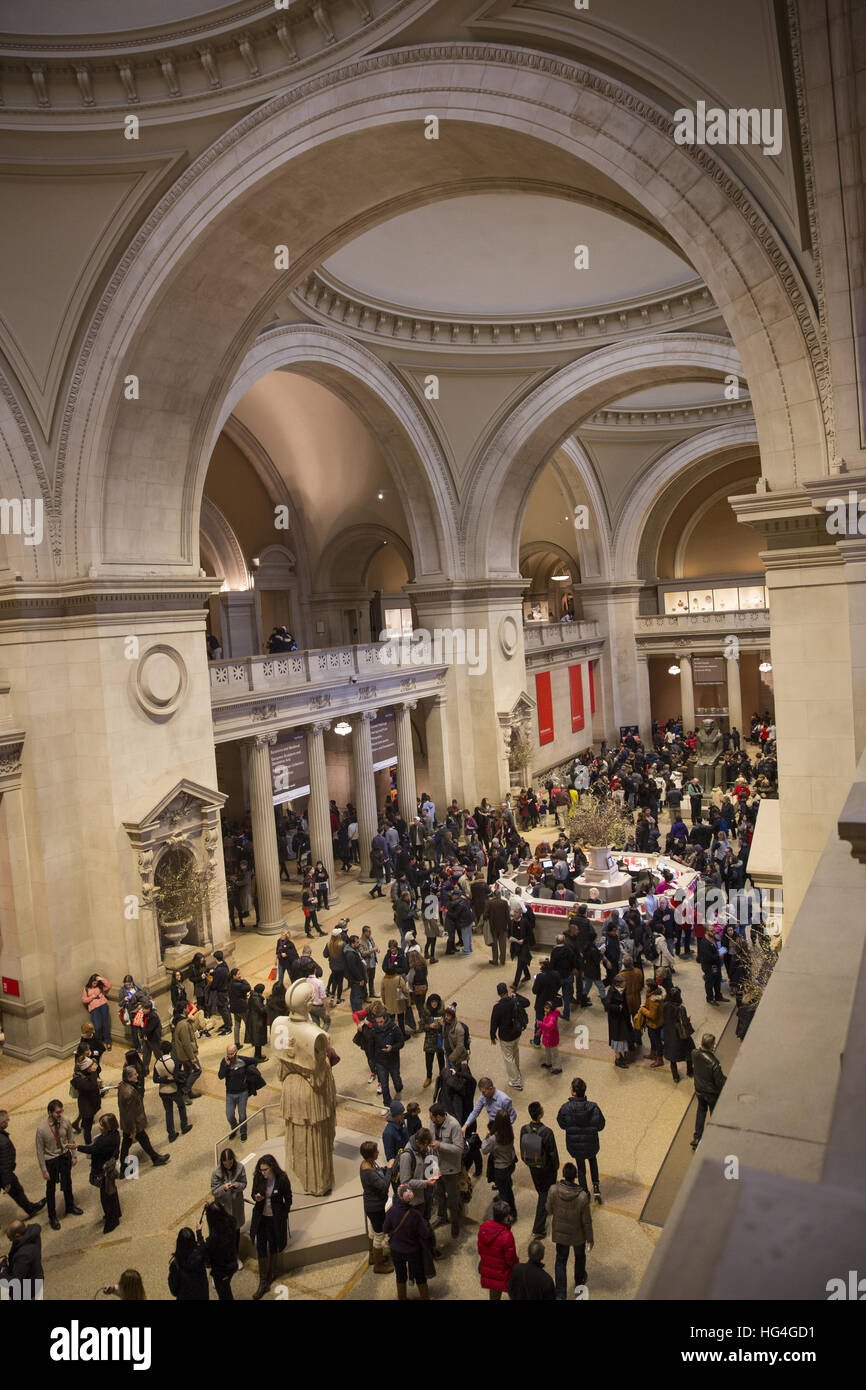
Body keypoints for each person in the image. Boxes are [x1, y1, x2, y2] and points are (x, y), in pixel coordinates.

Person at [546, 1162, 594, 1300]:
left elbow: (548, 1209)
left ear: (563, 1175)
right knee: (579, 1256)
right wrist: (590, 1239)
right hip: (577, 1235)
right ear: (575, 1177)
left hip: (560, 1233)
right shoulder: (582, 1197)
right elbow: (587, 1222)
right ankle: (579, 1280)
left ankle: (560, 1294)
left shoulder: (553, 1190)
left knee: (560, 1261)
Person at [249, 1153, 293, 1300]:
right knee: (261, 1247)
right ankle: (263, 1281)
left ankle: (271, 1273)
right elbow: (252, 1193)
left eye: (265, 1170)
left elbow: (288, 1198)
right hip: (261, 1218)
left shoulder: (282, 1179)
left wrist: (283, 1213)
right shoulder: (258, 1177)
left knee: (273, 1245)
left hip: (275, 1219)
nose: (263, 1173)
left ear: (272, 1167)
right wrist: (256, 1197)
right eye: (261, 1170)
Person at [35, 1099, 83, 1231]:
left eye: (61, 1111)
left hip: (64, 1156)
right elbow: (39, 1151)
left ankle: (70, 1206)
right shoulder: (42, 1129)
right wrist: (44, 1170)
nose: (60, 1115)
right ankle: (52, 1217)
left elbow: (71, 1138)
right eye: (57, 1112)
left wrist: (73, 1155)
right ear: (50, 1113)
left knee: (67, 1182)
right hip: (51, 1159)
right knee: (51, 1189)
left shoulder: (65, 1121)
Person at [556, 1077, 605, 1202]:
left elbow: (562, 1124)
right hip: (591, 1143)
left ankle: (585, 1192)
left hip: (575, 1145)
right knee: (593, 1160)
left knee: (581, 1167)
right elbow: (601, 1125)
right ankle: (596, 1186)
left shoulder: (565, 1108)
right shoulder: (593, 1108)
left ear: (573, 1092)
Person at [383, 1183, 434, 1300]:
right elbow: (425, 1233)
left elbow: (385, 1229)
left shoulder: (392, 1212)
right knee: (420, 1275)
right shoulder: (415, 1215)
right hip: (413, 1250)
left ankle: (402, 1297)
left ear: (399, 1196)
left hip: (396, 1250)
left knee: (400, 1276)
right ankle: (425, 1297)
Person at [519, 1100, 560, 1237]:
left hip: (533, 1166)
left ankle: (547, 1204)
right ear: (541, 1114)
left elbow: (521, 1147)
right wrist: (556, 1167)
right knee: (544, 1194)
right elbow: (552, 1152)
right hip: (546, 1168)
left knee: (541, 1189)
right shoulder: (547, 1132)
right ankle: (538, 1228)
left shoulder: (524, 1129)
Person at [118, 1067, 171, 1171]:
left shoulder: (123, 1086)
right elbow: (130, 1114)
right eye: (134, 1074)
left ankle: (155, 1158)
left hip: (131, 1123)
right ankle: (125, 1167)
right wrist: (133, 1130)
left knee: (140, 1141)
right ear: (129, 1078)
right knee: (128, 1143)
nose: (137, 1075)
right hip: (134, 1124)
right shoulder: (129, 1093)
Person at [78, 1113, 122, 1233]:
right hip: (109, 1167)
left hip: (104, 1170)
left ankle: (112, 1220)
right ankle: (116, 1213)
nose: (99, 1127)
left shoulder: (104, 1140)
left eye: (102, 1125)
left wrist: (77, 1147)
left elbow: (92, 1150)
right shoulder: (115, 1135)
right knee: (111, 1192)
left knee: (106, 1196)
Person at [428, 1101, 465, 1238]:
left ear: (440, 1117)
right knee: (439, 1194)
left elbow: (459, 1148)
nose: (430, 1121)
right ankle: (441, 1217)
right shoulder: (432, 1122)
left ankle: (455, 1223)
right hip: (436, 1165)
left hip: (450, 1168)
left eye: (432, 1118)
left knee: (452, 1199)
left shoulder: (454, 1125)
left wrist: (440, 1145)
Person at [0, 1111, 45, 1219]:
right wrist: (7, 1182)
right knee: (16, 1190)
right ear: (1, 1123)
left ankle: (30, 1208)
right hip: (4, 1174)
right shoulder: (3, 1142)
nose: (8, 1121)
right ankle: (30, 1208)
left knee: (17, 1191)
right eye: (7, 1120)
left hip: (3, 1172)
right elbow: (5, 1163)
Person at [359, 1140, 394, 1273]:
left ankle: (373, 1257)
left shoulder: (367, 1164)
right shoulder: (369, 1172)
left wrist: (385, 1169)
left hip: (371, 1205)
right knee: (379, 1234)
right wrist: (390, 1170)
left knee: (373, 1232)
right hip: (376, 1207)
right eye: (376, 1151)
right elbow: (384, 1186)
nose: (378, 1152)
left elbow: (379, 1173)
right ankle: (378, 1265)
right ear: (371, 1155)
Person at [489, 982, 529, 1092]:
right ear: (507, 991)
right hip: (517, 1033)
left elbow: (494, 1023)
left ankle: (515, 1081)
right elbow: (527, 1002)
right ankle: (517, 1072)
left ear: (498, 993)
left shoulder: (497, 1007)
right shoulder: (514, 1001)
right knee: (515, 1053)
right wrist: (516, 995)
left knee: (508, 1058)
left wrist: (492, 1036)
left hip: (505, 1036)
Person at [690, 1032, 727, 1149]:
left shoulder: (694, 1053)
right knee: (714, 1114)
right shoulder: (714, 1062)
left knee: (701, 1112)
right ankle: (715, 1138)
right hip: (711, 1093)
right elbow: (719, 1082)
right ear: (711, 1046)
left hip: (699, 1090)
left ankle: (697, 1138)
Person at [477, 1200, 518, 1301]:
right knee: (514, 1289)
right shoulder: (506, 1236)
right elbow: (510, 1259)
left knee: (494, 1289)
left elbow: (480, 1249)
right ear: (505, 1218)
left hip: (488, 1268)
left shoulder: (483, 1228)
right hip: (502, 1271)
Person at [198, 1200, 238, 1301]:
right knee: (226, 1290)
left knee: (225, 1295)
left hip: (221, 1272)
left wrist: (199, 1234)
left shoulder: (214, 1241)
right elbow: (222, 1215)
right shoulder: (232, 1222)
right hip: (232, 1264)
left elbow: (206, 1258)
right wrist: (212, 1208)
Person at [481, 1110, 518, 1221]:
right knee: (508, 1190)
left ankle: (505, 1216)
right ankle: (513, 1212)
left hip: (500, 1168)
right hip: (510, 1165)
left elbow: (484, 1150)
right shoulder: (510, 1132)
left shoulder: (494, 1139)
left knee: (503, 1194)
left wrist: (486, 1138)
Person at [371, 1005, 404, 1112]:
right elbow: (372, 1044)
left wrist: (392, 1048)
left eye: (381, 1022)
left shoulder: (394, 1028)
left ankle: (399, 1090)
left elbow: (401, 1042)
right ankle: (386, 1104)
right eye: (377, 1022)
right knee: (384, 1085)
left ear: (385, 1019)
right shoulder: (374, 1029)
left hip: (393, 1060)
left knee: (396, 1079)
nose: (379, 1024)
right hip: (380, 1061)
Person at [218, 1043, 252, 1142]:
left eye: (232, 1054)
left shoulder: (242, 1060)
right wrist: (226, 1066)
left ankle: (243, 1132)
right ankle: (234, 1127)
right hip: (230, 1093)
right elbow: (220, 1076)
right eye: (228, 1054)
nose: (230, 1056)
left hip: (242, 1093)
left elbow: (254, 1061)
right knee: (229, 1115)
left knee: (242, 1115)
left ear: (236, 1052)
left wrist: (249, 1074)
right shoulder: (224, 1062)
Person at [70, 1044, 102, 1146]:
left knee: (87, 1122)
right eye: (90, 1067)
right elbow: (91, 1086)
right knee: (87, 1128)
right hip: (86, 1105)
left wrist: (94, 1067)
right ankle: (88, 1145)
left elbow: (98, 1071)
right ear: (86, 1069)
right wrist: (93, 1072)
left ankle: (78, 1123)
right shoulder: (78, 1080)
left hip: (91, 1102)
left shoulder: (86, 1072)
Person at [2, 1220, 43, 1297]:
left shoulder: (23, 1256)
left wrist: (3, 1268)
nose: (11, 1241)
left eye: (11, 1239)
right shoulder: (32, 1234)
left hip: (27, 1289)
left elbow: (13, 1282)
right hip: (36, 1276)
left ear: (17, 1236)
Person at [210, 1148, 247, 1233]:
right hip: (223, 1206)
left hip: (236, 1204)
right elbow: (214, 1191)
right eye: (225, 1164)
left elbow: (244, 1184)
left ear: (233, 1160)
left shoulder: (240, 1167)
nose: (228, 1166)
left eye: (230, 1163)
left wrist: (236, 1185)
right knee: (225, 1231)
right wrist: (224, 1188)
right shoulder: (216, 1173)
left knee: (236, 1229)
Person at [663, 987, 695, 1084]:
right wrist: (688, 1019)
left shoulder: (665, 1006)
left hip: (669, 1033)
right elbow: (684, 1022)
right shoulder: (681, 1008)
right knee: (688, 1053)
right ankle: (689, 1071)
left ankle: (675, 1076)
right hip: (680, 1035)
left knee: (673, 1057)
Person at [171, 1004, 203, 1101]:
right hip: (186, 1054)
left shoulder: (180, 1022)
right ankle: (185, 1091)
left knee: (188, 1071)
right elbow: (186, 1043)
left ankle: (188, 1092)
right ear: (184, 1009)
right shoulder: (183, 1024)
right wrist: (192, 1057)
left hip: (182, 1053)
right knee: (197, 1070)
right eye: (187, 1008)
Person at [168, 1226, 209, 1300]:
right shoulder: (200, 1255)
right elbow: (203, 1248)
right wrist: (199, 1233)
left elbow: (173, 1290)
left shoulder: (175, 1265)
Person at [421, 993, 445, 1089]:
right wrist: (429, 1026)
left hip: (439, 1038)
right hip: (429, 1040)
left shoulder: (442, 1012)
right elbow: (421, 1026)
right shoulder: (426, 1012)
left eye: (435, 1002)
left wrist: (442, 1024)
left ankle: (443, 1076)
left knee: (441, 1059)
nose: (434, 1004)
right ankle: (428, 1077)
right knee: (429, 1060)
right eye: (432, 1002)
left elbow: (448, 1023)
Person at [81, 973, 112, 1048]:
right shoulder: (86, 989)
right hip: (94, 1008)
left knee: (105, 1024)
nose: (95, 984)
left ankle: (108, 1042)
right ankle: (98, 1042)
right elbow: (84, 1000)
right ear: (91, 981)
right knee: (97, 1026)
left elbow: (108, 986)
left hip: (103, 1005)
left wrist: (101, 979)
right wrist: (91, 997)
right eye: (94, 983)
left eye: (96, 983)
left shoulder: (100, 986)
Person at [697, 927, 725, 1004]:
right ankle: (710, 998)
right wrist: (719, 955)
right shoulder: (704, 942)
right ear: (706, 931)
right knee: (710, 982)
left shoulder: (713, 939)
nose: (714, 932)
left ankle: (718, 996)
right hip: (709, 966)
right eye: (711, 931)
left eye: (714, 930)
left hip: (716, 964)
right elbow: (708, 957)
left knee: (717, 980)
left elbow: (716, 949)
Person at [484, 892, 511, 967]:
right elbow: (507, 916)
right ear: (500, 895)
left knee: (494, 945)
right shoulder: (505, 903)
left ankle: (495, 960)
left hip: (493, 927)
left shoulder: (489, 903)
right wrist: (509, 927)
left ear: (494, 895)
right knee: (503, 944)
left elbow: (485, 915)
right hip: (503, 927)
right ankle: (502, 960)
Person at [343, 934, 368, 1013]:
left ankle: (355, 1011)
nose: (359, 944)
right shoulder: (350, 954)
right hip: (355, 979)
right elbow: (353, 968)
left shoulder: (353, 950)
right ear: (352, 943)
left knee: (354, 994)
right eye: (357, 942)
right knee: (357, 996)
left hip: (355, 978)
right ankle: (358, 1011)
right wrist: (360, 979)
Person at [244, 982, 269, 1062]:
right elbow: (261, 1010)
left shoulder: (253, 996)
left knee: (257, 1040)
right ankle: (258, 1057)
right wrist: (267, 1006)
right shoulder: (256, 999)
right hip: (257, 1021)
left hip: (254, 1019)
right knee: (258, 1040)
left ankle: (258, 1055)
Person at [539, 995, 563, 1075]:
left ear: (551, 1009)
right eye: (545, 1007)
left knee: (555, 1054)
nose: (545, 1009)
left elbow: (548, 1026)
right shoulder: (547, 1014)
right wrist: (540, 1031)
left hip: (552, 1038)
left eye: (547, 1008)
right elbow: (545, 1024)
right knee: (548, 1051)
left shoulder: (552, 1017)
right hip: (547, 1038)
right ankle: (548, 1063)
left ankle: (558, 1067)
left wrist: (540, 1024)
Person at [211, 951, 232, 1035]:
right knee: (225, 1007)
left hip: (221, 992)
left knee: (223, 1009)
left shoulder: (218, 970)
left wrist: (211, 987)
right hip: (225, 989)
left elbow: (215, 983)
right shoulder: (224, 965)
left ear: (215, 958)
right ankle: (228, 1023)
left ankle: (228, 1027)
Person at [358, 924, 379, 996]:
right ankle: (364, 995)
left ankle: (372, 993)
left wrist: (376, 949)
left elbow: (373, 946)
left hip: (372, 962)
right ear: (364, 932)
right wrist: (373, 950)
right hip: (366, 964)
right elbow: (363, 953)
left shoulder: (370, 938)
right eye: (369, 932)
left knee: (372, 979)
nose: (370, 933)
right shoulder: (360, 942)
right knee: (365, 980)